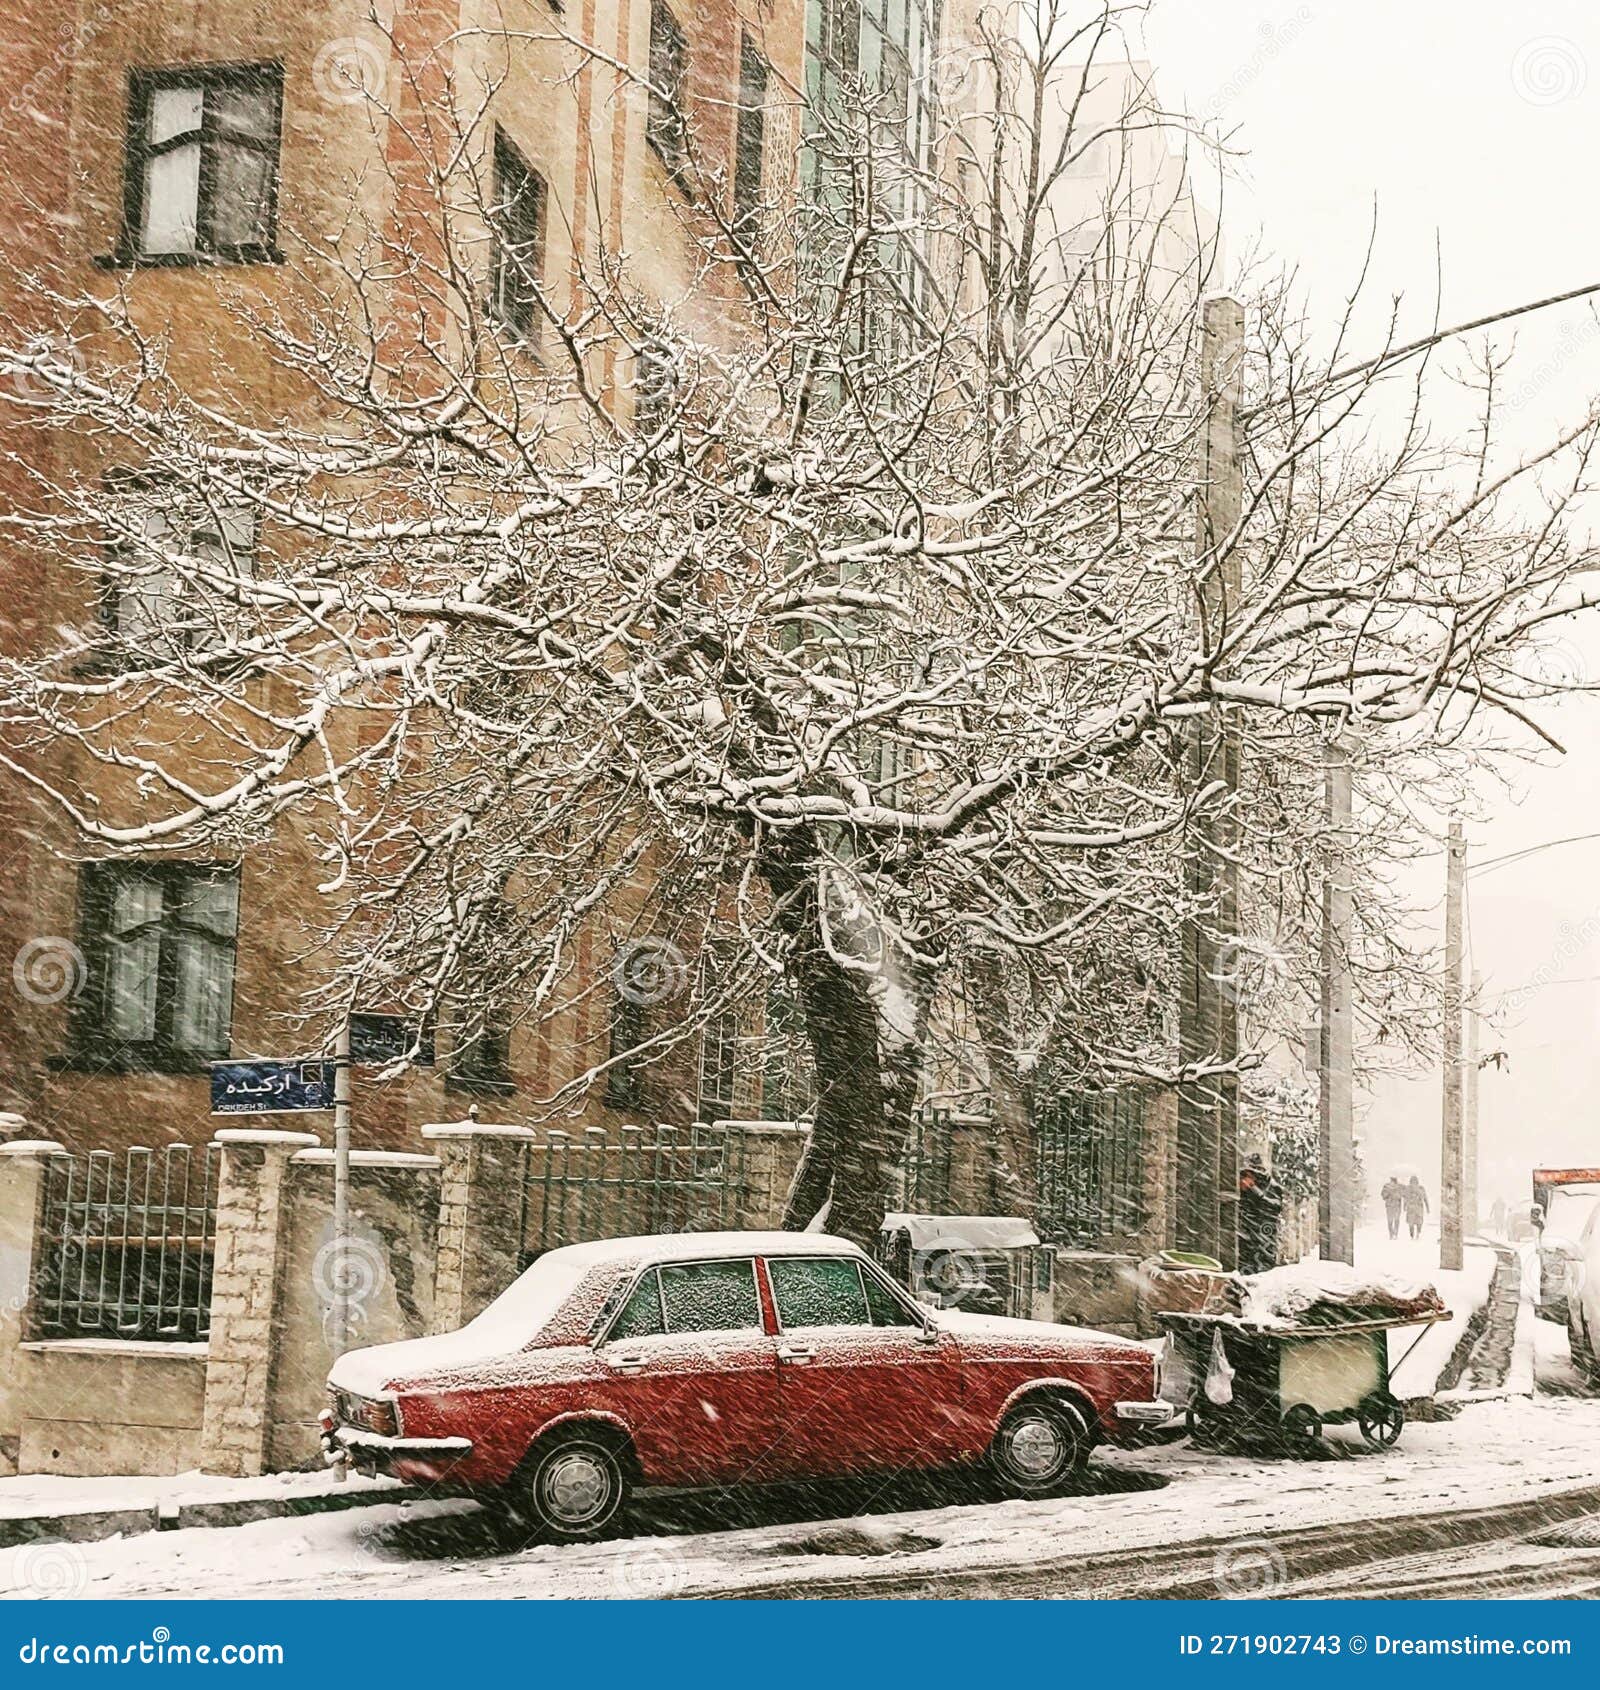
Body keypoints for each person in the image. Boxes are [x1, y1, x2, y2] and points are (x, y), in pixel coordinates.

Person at [1237, 1153, 1283, 1275]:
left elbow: (1274, 1207)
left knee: (1263, 1270)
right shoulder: (1239, 1184)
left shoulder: (1271, 1186)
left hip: (1263, 1235)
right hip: (1245, 1235)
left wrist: (1253, 1189)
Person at [1404, 1175, 1429, 1240]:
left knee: (1417, 1222)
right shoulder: (1409, 1188)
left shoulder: (1420, 1188)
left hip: (1416, 1207)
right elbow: (1406, 1198)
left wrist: (1427, 1207)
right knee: (1413, 1223)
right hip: (1414, 1208)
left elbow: (1425, 1198)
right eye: (1413, 1181)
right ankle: (1413, 1235)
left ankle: (1417, 1233)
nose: (1413, 1182)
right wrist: (1404, 1205)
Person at [1381, 1175, 1405, 1240]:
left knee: (1391, 1221)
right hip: (1396, 1205)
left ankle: (1392, 1234)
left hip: (1390, 1206)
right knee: (1395, 1220)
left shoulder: (1386, 1186)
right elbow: (1404, 1194)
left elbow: (1383, 1196)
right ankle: (1394, 1233)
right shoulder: (1399, 1187)